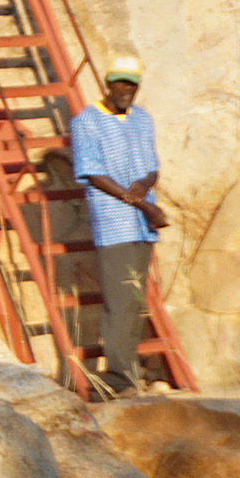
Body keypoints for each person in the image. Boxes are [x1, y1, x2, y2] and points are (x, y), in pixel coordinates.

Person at [70, 55, 167, 393]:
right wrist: (139, 202)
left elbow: (153, 166)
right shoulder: (87, 121)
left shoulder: (142, 119)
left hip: (143, 222)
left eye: (132, 84)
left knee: (136, 300)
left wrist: (145, 184)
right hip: (116, 223)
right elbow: (92, 172)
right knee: (120, 299)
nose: (126, 89)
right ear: (107, 85)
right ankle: (117, 377)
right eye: (120, 83)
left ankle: (130, 371)